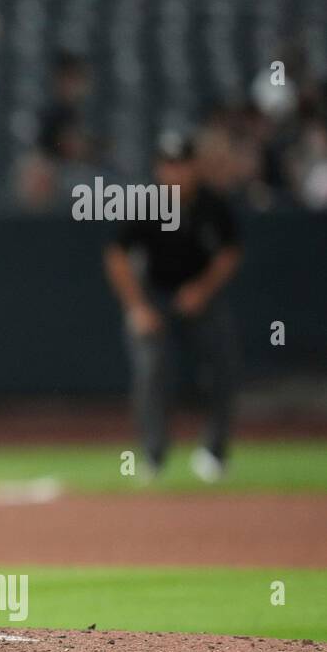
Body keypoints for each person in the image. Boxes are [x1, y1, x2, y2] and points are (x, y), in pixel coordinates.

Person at [103, 131, 243, 482]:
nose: (175, 174)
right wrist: (137, 307)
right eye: (168, 166)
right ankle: (153, 456)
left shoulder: (212, 203)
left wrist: (202, 289)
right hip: (155, 295)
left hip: (199, 296)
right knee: (150, 370)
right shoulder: (145, 203)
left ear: (194, 167)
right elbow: (117, 257)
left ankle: (214, 453)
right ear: (158, 169)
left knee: (224, 367)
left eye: (181, 165)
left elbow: (230, 252)